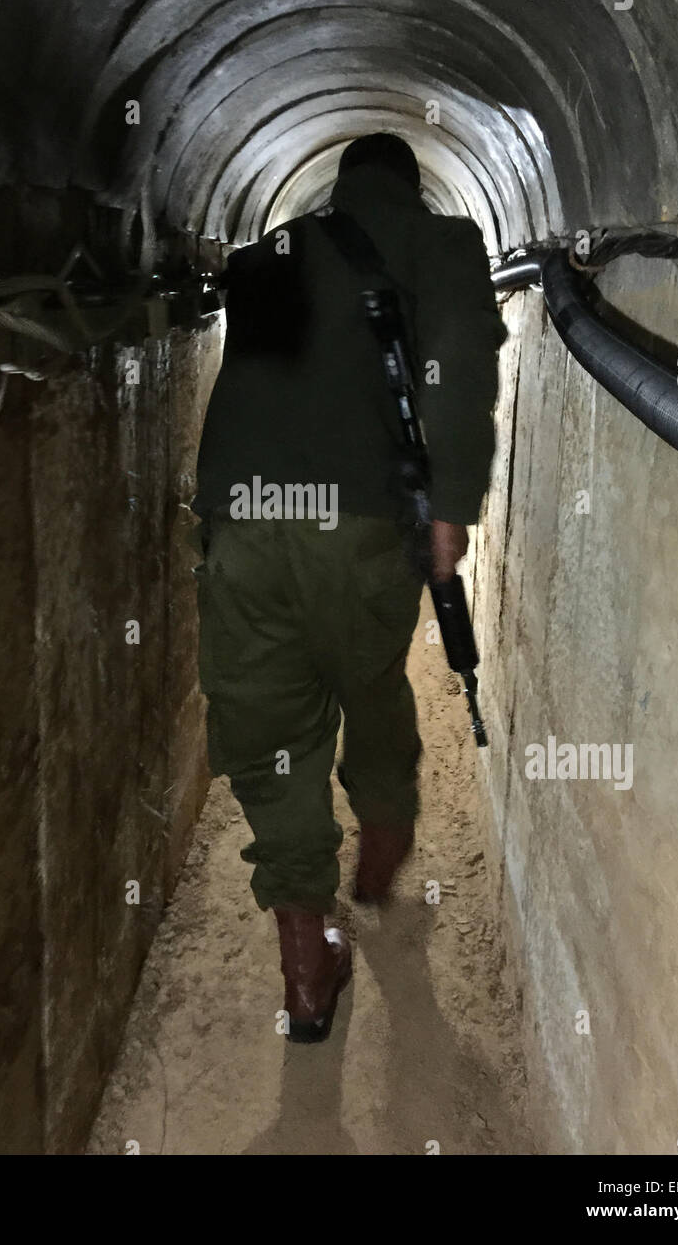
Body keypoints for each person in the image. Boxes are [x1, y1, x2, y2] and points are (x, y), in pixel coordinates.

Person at [190, 133, 506, 1042]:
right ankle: (382, 837)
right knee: (366, 679)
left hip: (239, 523)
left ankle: (305, 956)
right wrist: (449, 512)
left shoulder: (268, 254)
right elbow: (457, 370)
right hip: (358, 525)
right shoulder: (442, 244)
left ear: (337, 186)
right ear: (408, 187)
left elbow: (259, 388)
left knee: (265, 722)